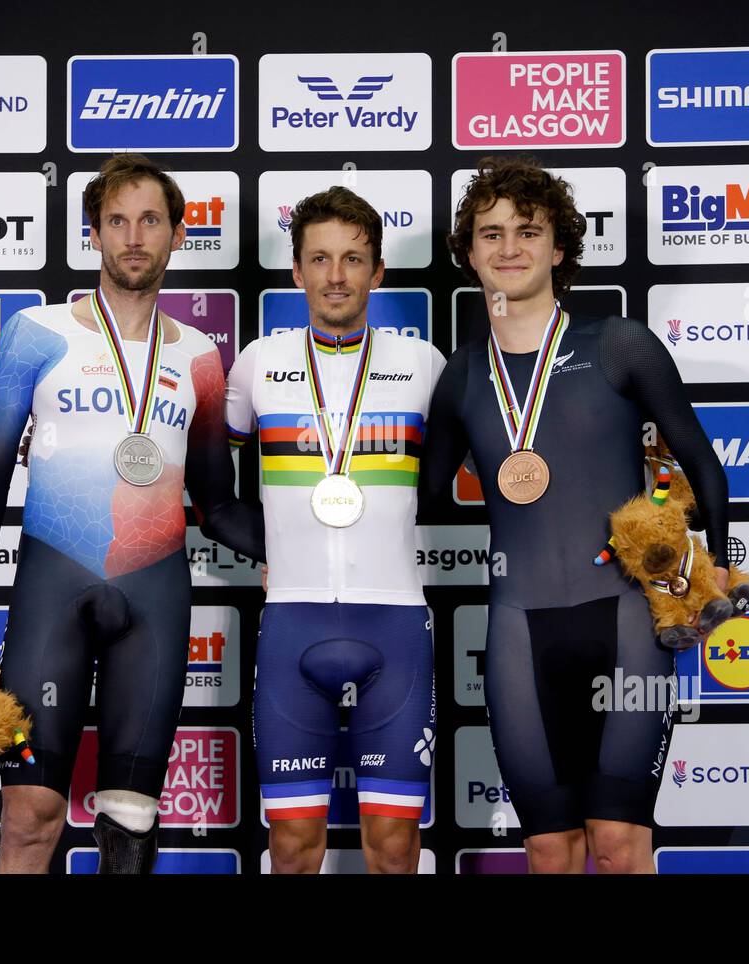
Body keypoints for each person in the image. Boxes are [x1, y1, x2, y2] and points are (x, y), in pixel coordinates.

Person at [0, 153, 264, 874]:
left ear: (178, 235)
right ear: (95, 233)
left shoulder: (203, 357)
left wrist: (305, 549)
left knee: (131, 831)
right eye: (117, 221)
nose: (134, 237)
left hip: (156, 601)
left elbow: (218, 502)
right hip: (51, 596)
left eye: (150, 220)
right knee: (27, 817)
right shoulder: (35, 333)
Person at [419, 156, 730, 874]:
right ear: (469, 253)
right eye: (491, 233)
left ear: (559, 248)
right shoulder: (462, 376)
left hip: (625, 619)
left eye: (528, 231)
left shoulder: (618, 344)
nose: (509, 248)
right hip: (519, 628)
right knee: (548, 850)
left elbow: (703, 464)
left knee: (619, 844)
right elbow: (422, 500)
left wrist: (716, 575)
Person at [226, 187, 446, 873]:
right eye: (319, 259)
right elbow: (198, 478)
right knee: (291, 847)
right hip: (293, 621)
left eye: (354, 259)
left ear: (378, 272)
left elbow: (457, 480)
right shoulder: (257, 363)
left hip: (397, 624)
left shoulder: (425, 365)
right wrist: (274, 548)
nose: (336, 275)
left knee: (395, 845)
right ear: (296, 271)